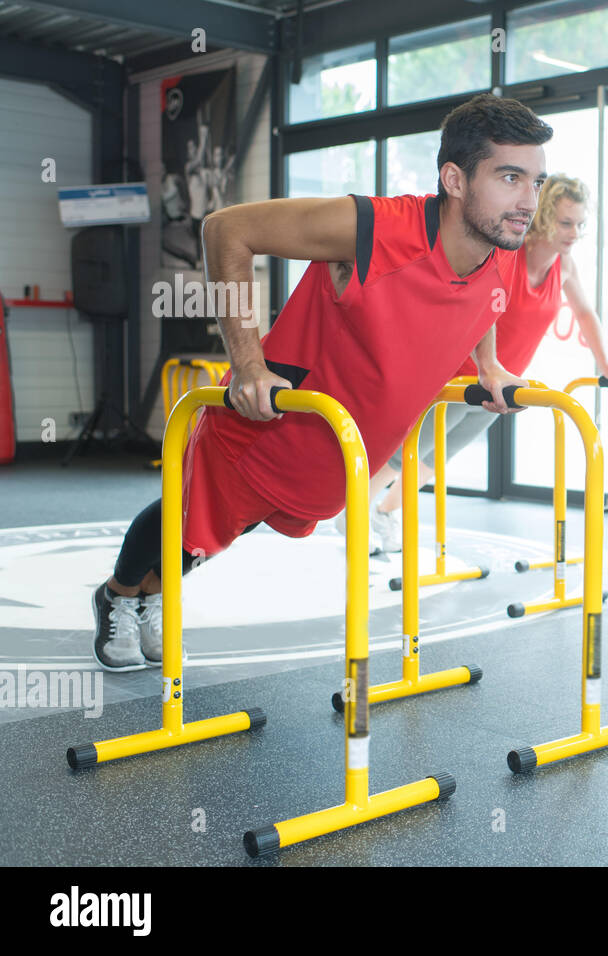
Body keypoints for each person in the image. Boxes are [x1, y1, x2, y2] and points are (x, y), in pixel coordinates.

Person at [89, 93, 551, 671]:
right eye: (511, 178)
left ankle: (148, 593)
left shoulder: (498, 241)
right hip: (271, 425)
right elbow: (226, 230)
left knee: (214, 536)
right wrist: (249, 363)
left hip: (338, 451)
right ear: (454, 180)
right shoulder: (372, 228)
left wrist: (490, 367)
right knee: (191, 527)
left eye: (536, 181)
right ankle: (119, 594)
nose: (528, 200)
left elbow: (485, 298)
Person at [344, 174, 608, 552]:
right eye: (565, 223)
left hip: (501, 382)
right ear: (543, 217)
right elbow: (479, 303)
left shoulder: (565, 267)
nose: (574, 233)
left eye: (579, 224)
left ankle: (383, 513)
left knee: (437, 458)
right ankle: (350, 513)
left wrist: (605, 363)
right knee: (407, 453)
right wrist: (485, 363)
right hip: (458, 374)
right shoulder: (508, 254)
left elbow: (585, 313)